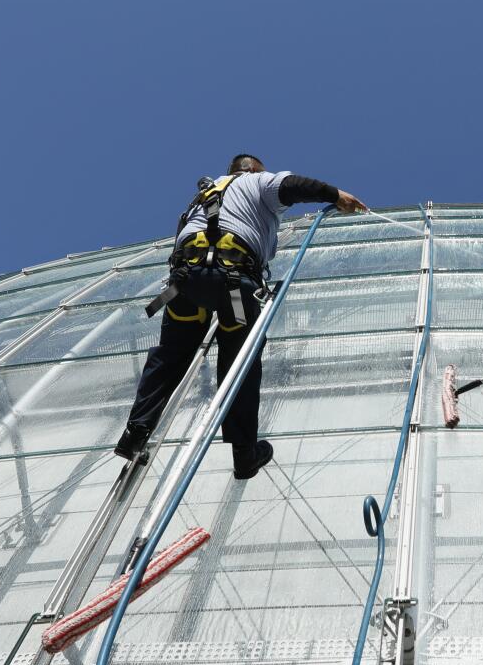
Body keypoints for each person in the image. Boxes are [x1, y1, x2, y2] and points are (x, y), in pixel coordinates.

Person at [116, 154, 366, 478]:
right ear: (253, 169)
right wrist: (335, 195)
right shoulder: (257, 181)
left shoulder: (201, 198)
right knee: (239, 360)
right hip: (232, 284)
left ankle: (136, 431)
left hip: (185, 284)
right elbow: (292, 186)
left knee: (170, 356)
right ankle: (244, 452)